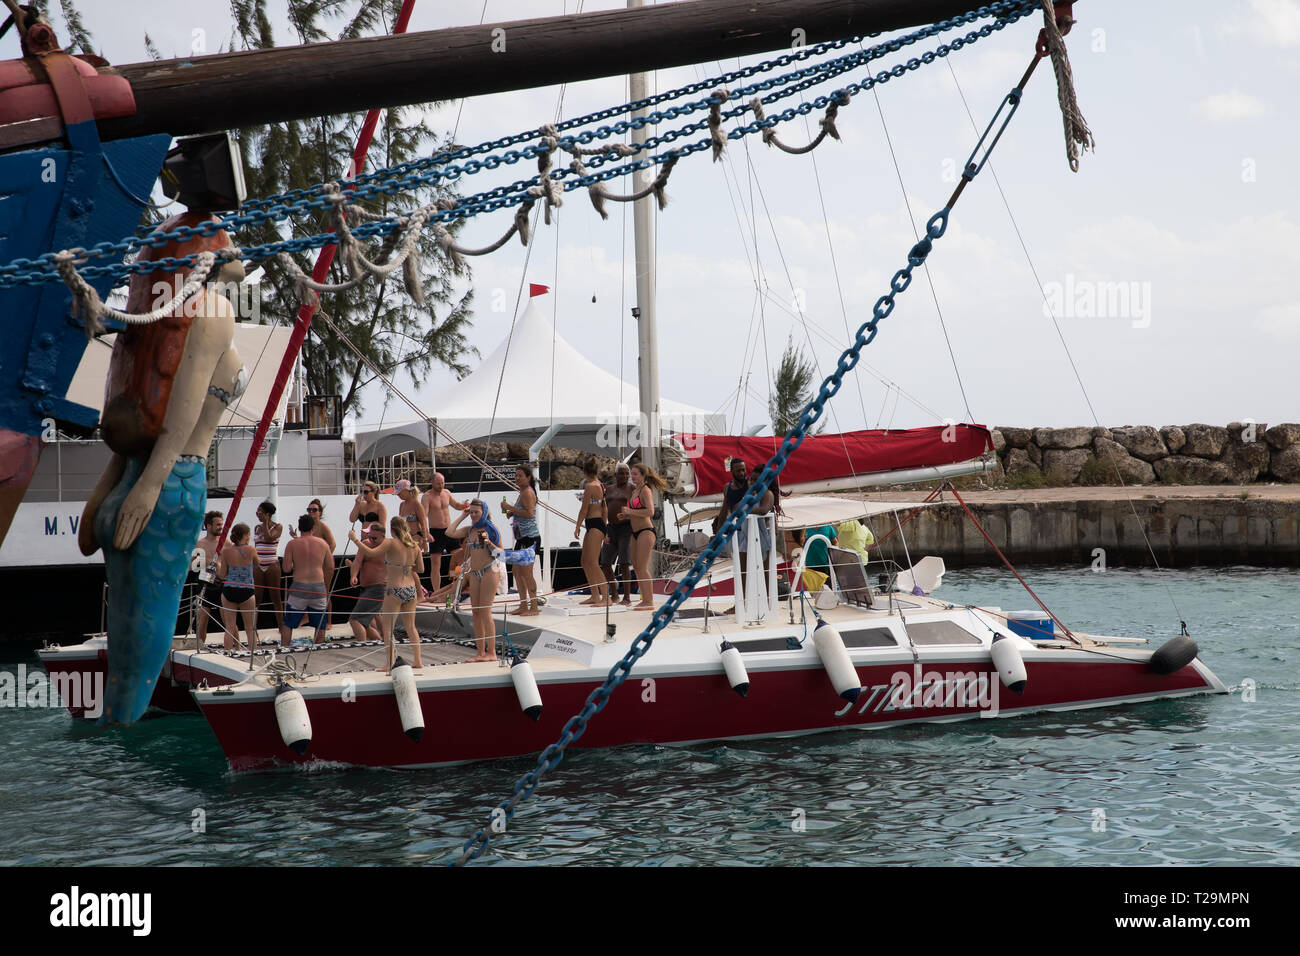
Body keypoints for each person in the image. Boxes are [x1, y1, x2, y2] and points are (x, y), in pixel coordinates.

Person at [76, 211, 246, 724]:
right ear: (206, 255)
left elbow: (131, 415)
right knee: (145, 642)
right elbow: (184, 409)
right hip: (169, 485)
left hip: (127, 478)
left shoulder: (155, 314)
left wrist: (106, 494)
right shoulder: (211, 309)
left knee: (123, 640)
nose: (237, 251)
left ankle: (107, 748)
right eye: (225, 239)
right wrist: (150, 487)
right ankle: (122, 770)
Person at [348, 516, 425, 670]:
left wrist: (355, 539)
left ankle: (389, 663)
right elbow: (421, 569)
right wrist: (406, 566)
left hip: (394, 589)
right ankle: (418, 661)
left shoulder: (390, 543)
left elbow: (371, 552)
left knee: (388, 629)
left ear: (392, 529)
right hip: (410, 590)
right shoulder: (414, 546)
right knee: (411, 628)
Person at [444, 500, 501, 662]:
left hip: (490, 570)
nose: (474, 515)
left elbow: (502, 553)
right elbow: (449, 531)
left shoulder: (491, 529)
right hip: (475, 572)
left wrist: (488, 543)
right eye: (472, 512)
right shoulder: (470, 530)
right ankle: (480, 653)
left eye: (477, 512)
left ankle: (492, 653)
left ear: (484, 512)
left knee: (485, 611)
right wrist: (463, 515)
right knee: (475, 613)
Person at [281, 514, 334, 646]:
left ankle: (284, 650)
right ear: (313, 528)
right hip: (318, 588)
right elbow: (330, 566)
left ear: (299, 528)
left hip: (299, 587)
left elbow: (286, 568)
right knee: (320, 625)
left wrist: (298, 564)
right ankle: (317, 654)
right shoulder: (323, 544)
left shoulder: (292, 544)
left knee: (289, 624)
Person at [620, 462, 667, 609]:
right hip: (635, 532)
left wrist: (630, 511)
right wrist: (626, 516)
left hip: (646, 531)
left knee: (642, 566)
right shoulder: (635, 491)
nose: (632, 477)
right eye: (631, 474)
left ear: (643, 475)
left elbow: (650, 512)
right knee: (637, 566)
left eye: (635, 474)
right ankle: (644, 599)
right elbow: (635, 512)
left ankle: (649, 601)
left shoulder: (645, 490)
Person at [501, 465, 541, 616]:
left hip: (529, 537)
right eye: (516, 476)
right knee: (517, 571)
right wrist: (512, 512)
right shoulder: (522, 492)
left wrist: (510, 507)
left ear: (528, 478)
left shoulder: (528, 493)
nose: (517, 478)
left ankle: (534, 607)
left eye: (520, 476)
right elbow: (524, 511)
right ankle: (523, 604)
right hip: (521, 536)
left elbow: (530, 514)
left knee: (526, 573)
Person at [573, 457, 610, 606]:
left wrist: (577, 527)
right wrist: (605, 526)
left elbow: (584, 509)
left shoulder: (590, 486)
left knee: (593, 563)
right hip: (597, 524)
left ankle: (606, 597)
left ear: (584, 471)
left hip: (594, 524)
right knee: (585, 561)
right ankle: (595, 595)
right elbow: (605, 508)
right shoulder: (600, 485)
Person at [422, 472, 467, 591]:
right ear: (432, 483)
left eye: (442, 483)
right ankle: (436, 591)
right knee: (436, 564)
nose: (441, 485)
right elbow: (423, 516)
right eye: (438, 483)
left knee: (460, 558)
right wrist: (426, 533)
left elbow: (456, 505)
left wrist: (464, 506)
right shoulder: (427, 496)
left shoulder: (447, 493)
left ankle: (457, 585)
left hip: (449, 531)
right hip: (435, 532)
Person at [218, 523, 258, 652]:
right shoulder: (251, 550)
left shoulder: (226, 551)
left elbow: (222, 574)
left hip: (229, 590)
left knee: (229, 626)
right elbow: (258, 563)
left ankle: (227, 656)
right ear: (245, 536)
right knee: (250, 628)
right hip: (246, 590)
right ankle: (252, 656)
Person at [348, 522, 388, 643]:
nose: (371, 540)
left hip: (379, 588)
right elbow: (358, 561)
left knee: (355, 620)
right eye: (369, 537)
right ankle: (380, 643)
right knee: (366, 623)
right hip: (366, 588)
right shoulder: (366, 544)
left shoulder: (388, 547)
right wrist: (354, 575)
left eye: (374, 538)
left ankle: (363, 647)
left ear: (383, 536)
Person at [600, 463, 634, 605]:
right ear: (615, 475)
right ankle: (614, 593)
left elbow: (638, 507)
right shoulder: (609, 489)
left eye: (627, 473)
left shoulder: (633, 489)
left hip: (626, 529)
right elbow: (603, 508)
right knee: (605, 563)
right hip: (611, 528)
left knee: (624, 563)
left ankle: (627, 597)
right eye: (622, 473)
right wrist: (604, 530)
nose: (625, 476)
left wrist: (629, 516)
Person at [194, 510, 225, 645]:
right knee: (202, 619)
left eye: (221, 525)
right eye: (218, 524)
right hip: (204, 582)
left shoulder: (226, 543)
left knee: (227, 619)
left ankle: (237, 647)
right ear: (208, 525)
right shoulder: (199, 544)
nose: (220, 527)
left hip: (221, 583)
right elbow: (194, 565)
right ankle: (200, 646)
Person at [252, 501, 284, 630]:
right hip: (259, 564)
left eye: (259, 513)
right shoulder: (256, 527)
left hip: (272, 564)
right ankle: (253, 627)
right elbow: (256, 546)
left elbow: (269, 538)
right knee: (257, 598)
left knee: (275, 597)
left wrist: (265, 523)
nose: (257, 515)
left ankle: (282, 627)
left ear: (267, 514)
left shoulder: (278, 526)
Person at [395, 478, 429, 567]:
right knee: (407, 567)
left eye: (399, 492)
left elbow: (423, 523)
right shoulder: (402, 505)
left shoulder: (416, 504)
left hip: (415, 539)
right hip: (404, 540)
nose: (398, 495)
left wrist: (425, 541)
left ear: (407, 490)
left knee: (411, 568)